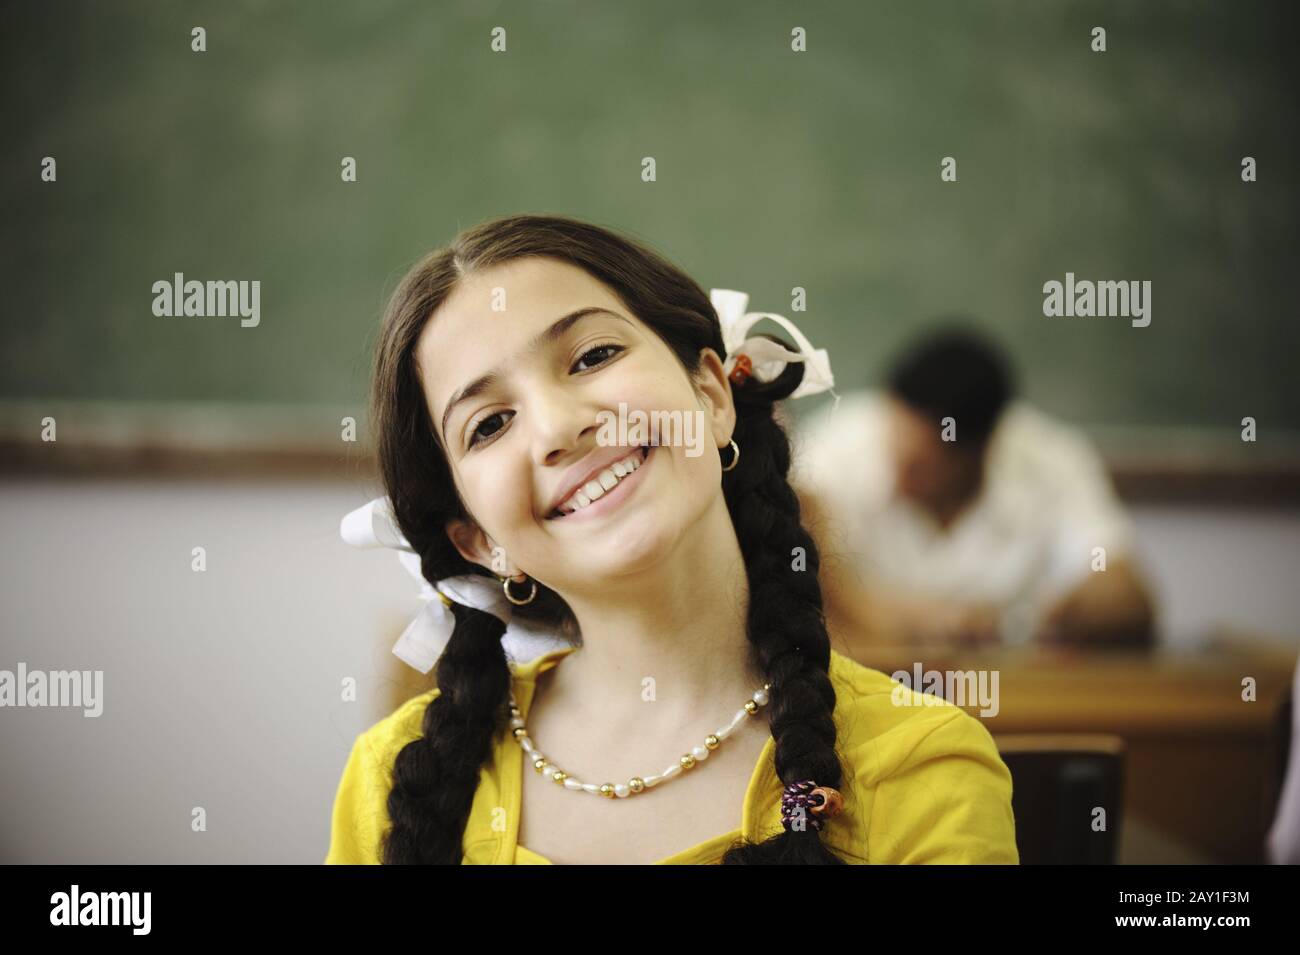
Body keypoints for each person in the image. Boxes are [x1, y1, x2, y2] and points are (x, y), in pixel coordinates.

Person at [325, 215, 1017, 864]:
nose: (560, 426)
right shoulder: (388, 779)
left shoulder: (919, 767)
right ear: (477, 541)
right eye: (489, 424)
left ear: (713, 395)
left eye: (593, 355)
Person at [794, 324, 1155, 652]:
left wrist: (1084, 608)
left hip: (1021, 699)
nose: (899, 478)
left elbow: (1121, 588)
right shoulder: (828, 453)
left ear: (980, 451)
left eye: (921, 467)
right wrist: (921, 618)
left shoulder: (1053, 462)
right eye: (894, 452)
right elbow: (808, 600)